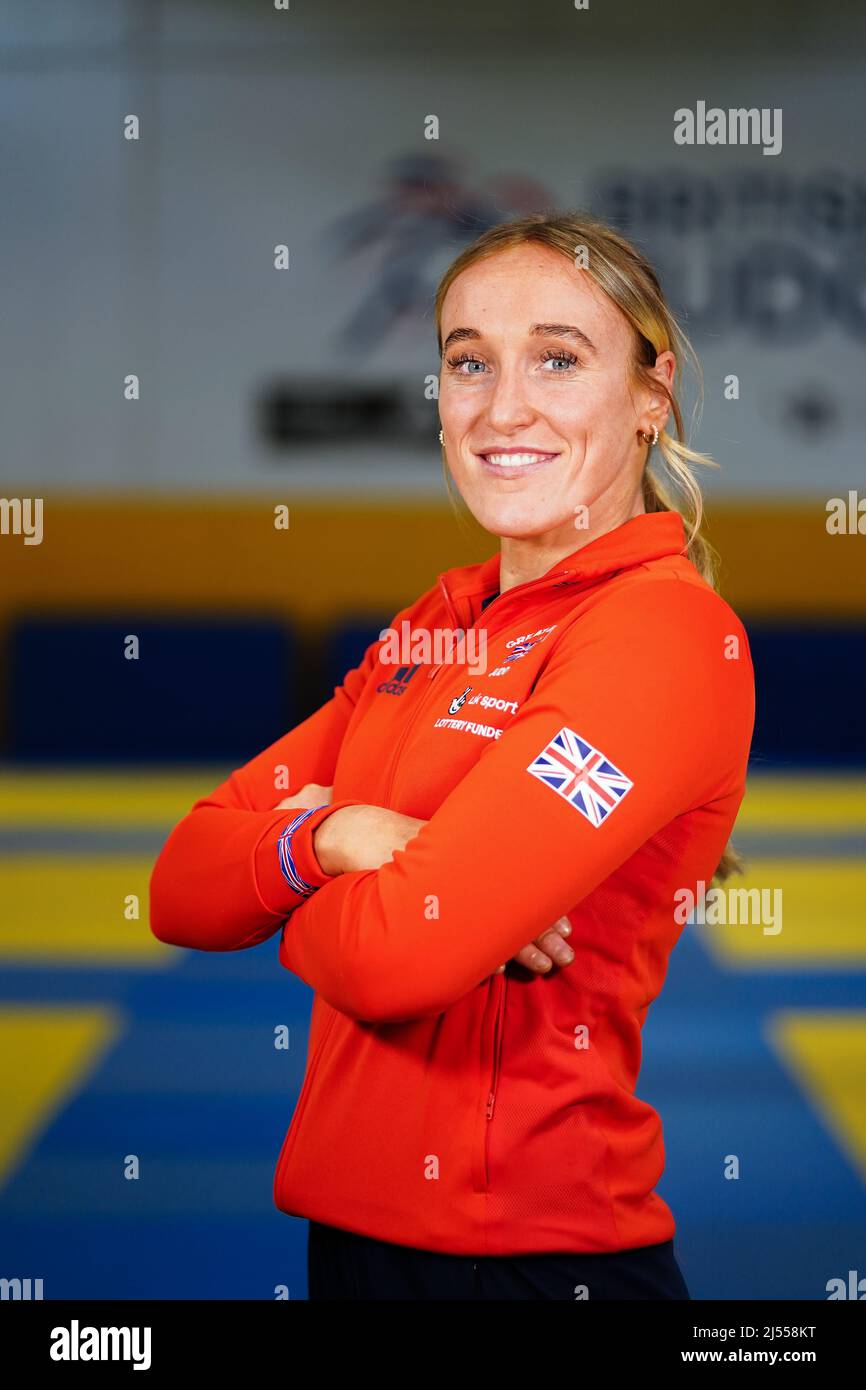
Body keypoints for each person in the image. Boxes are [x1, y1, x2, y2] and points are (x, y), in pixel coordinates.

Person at [149, 211, 755, 1300]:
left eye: (558, 360)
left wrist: (295, 886)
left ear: (649, 398)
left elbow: (396, 961)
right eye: (467, 361)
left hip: (525, 1262)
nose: (501, 407)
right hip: (357, 1247)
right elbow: (179, 883)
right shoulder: (438, 625)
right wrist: (331, 838)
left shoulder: (661, 634)